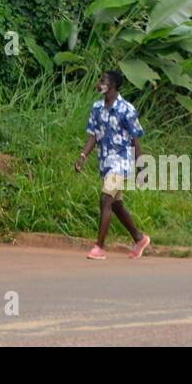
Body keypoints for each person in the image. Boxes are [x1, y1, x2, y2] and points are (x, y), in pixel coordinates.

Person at [75, 69, 151, 260]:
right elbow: (93, 135)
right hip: (105, 162)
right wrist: (83, 156)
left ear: (113, 85)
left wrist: (141, 167)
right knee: (116, 205)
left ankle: (99, 247)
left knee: (105, 199)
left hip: (122, 161)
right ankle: (139, 238)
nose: (99, 83)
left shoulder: (127, 109)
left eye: (103, 80)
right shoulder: (97, 108)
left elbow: (136, 140)